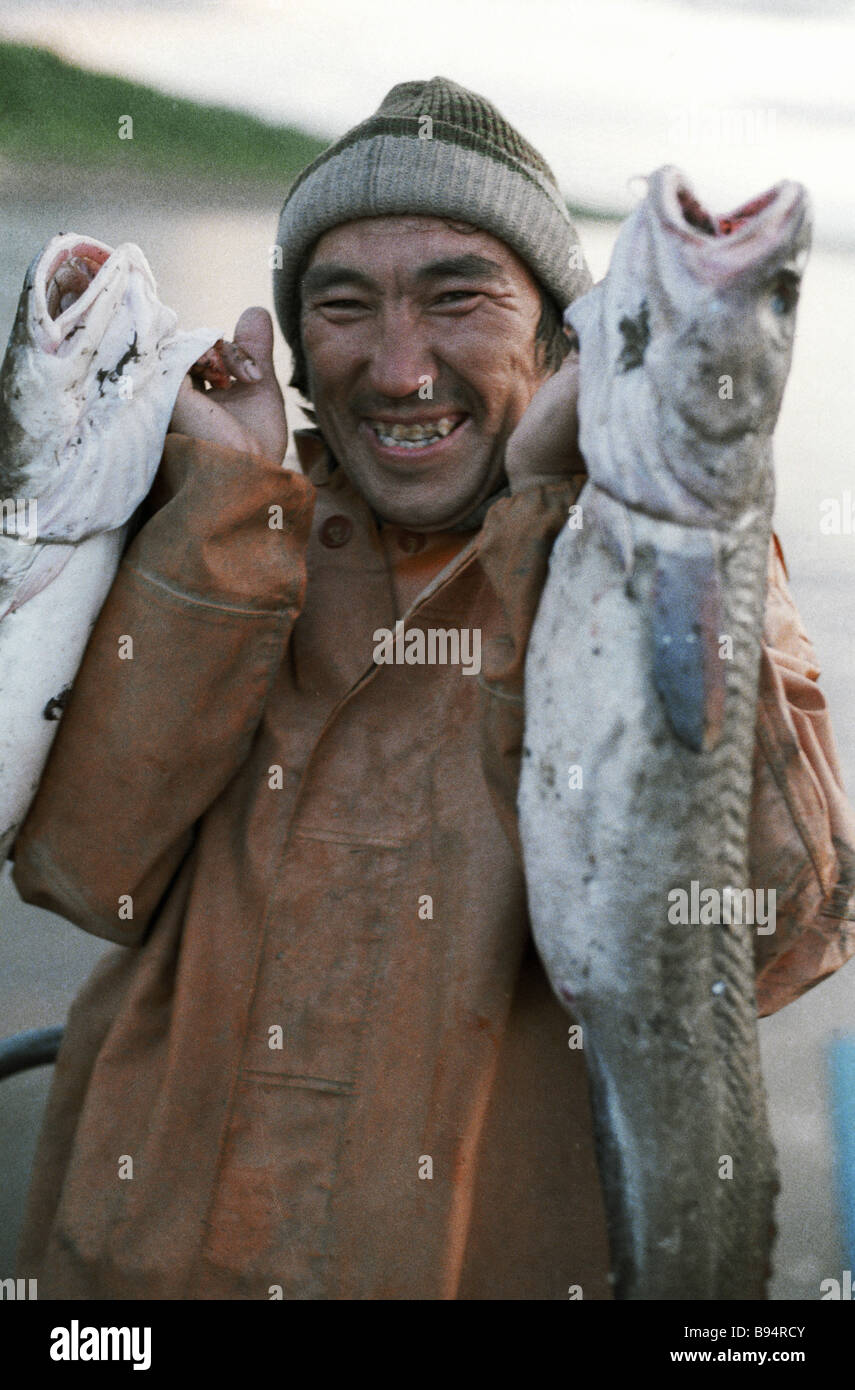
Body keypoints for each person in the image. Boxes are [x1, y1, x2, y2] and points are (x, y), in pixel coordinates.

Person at [11, 77, 855, 1301]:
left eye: (460, 296)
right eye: (342, 306)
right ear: (299, 346)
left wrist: (557, 505)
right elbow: (85, 871)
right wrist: (228, 517)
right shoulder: (227, 521)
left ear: (560, 338)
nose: (400, 369)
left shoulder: (665, 555)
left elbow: (785, 930)